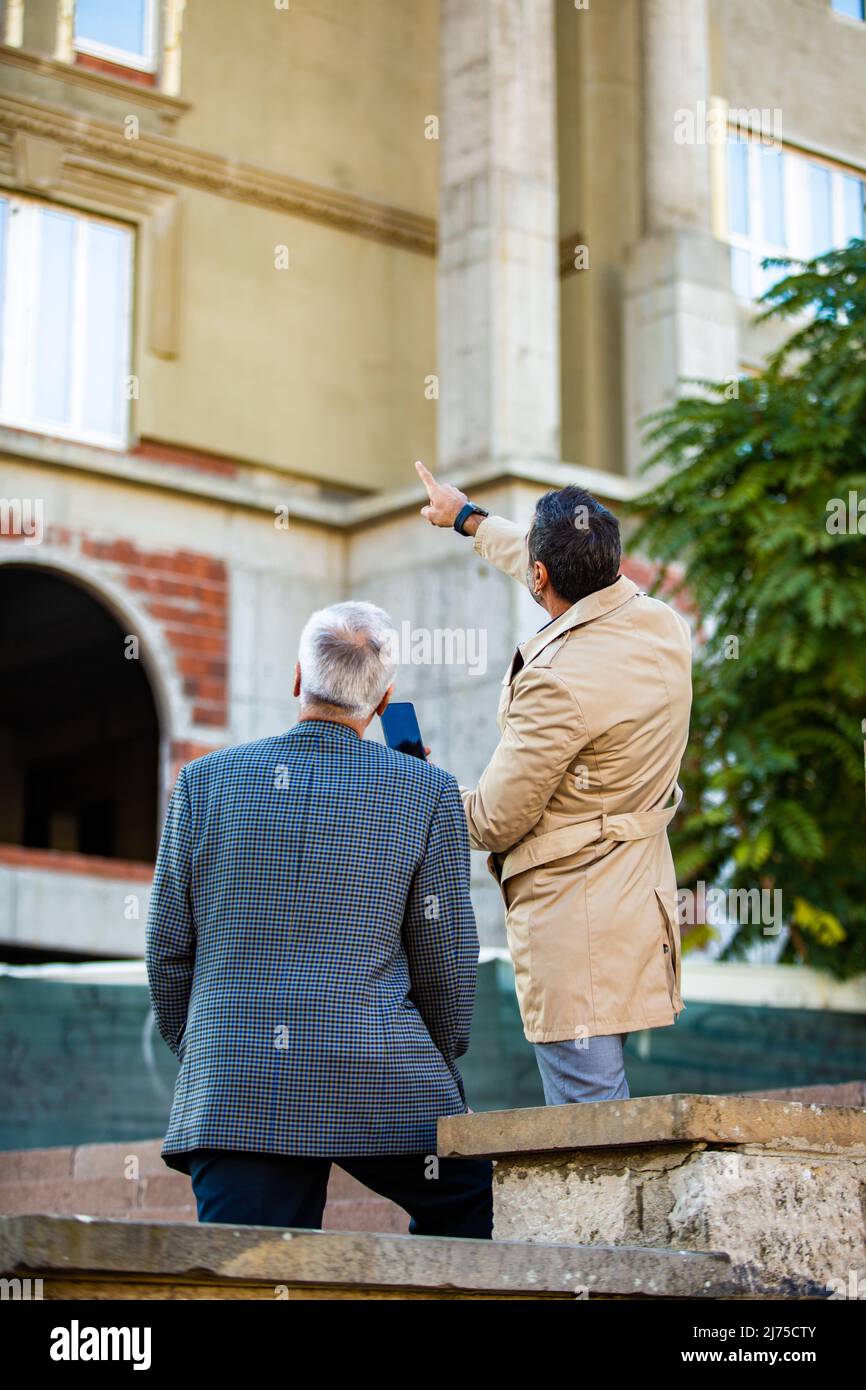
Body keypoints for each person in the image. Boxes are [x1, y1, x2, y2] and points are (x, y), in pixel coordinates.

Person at [146, 599, 492, 1237]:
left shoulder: (202, 783)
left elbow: (168, 951)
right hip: (384, 1072)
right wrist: (438, 1062)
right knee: (482, 1206)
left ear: (298, 679)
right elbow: (447, 961)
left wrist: (203, 1047)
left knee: (248, 1279)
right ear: (386, 699)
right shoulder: (429, 792)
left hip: (236, 1079)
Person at [415, 462, 692, 1106]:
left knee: (589, 1115)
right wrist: (468, 519)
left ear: (543, 576)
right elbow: (558, 576)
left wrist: (415, 788)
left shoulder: (557, 682)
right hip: (638, 893)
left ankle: (613, 1215)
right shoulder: (663, 628)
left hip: (576, 919)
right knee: (602, 1098)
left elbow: (493, 820)